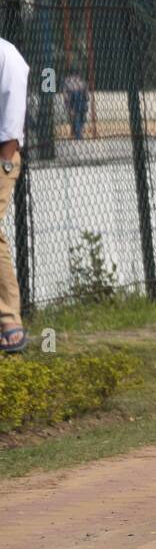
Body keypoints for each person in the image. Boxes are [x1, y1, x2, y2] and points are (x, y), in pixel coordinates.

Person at [0, 34, 29, 353]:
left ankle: (10, 320)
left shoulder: (7, 55)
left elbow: (12, 117)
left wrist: (6, 162)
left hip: (2, 157)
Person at [62, 68, 88, 140]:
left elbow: (85, 90)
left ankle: (76, 130)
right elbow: (65, 93)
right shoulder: (68, 80)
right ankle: (78, 134)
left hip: (80, 97)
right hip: (74, 97)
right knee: (77, 115)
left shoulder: (80, 80)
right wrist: (68, 105)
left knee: (80, 116)